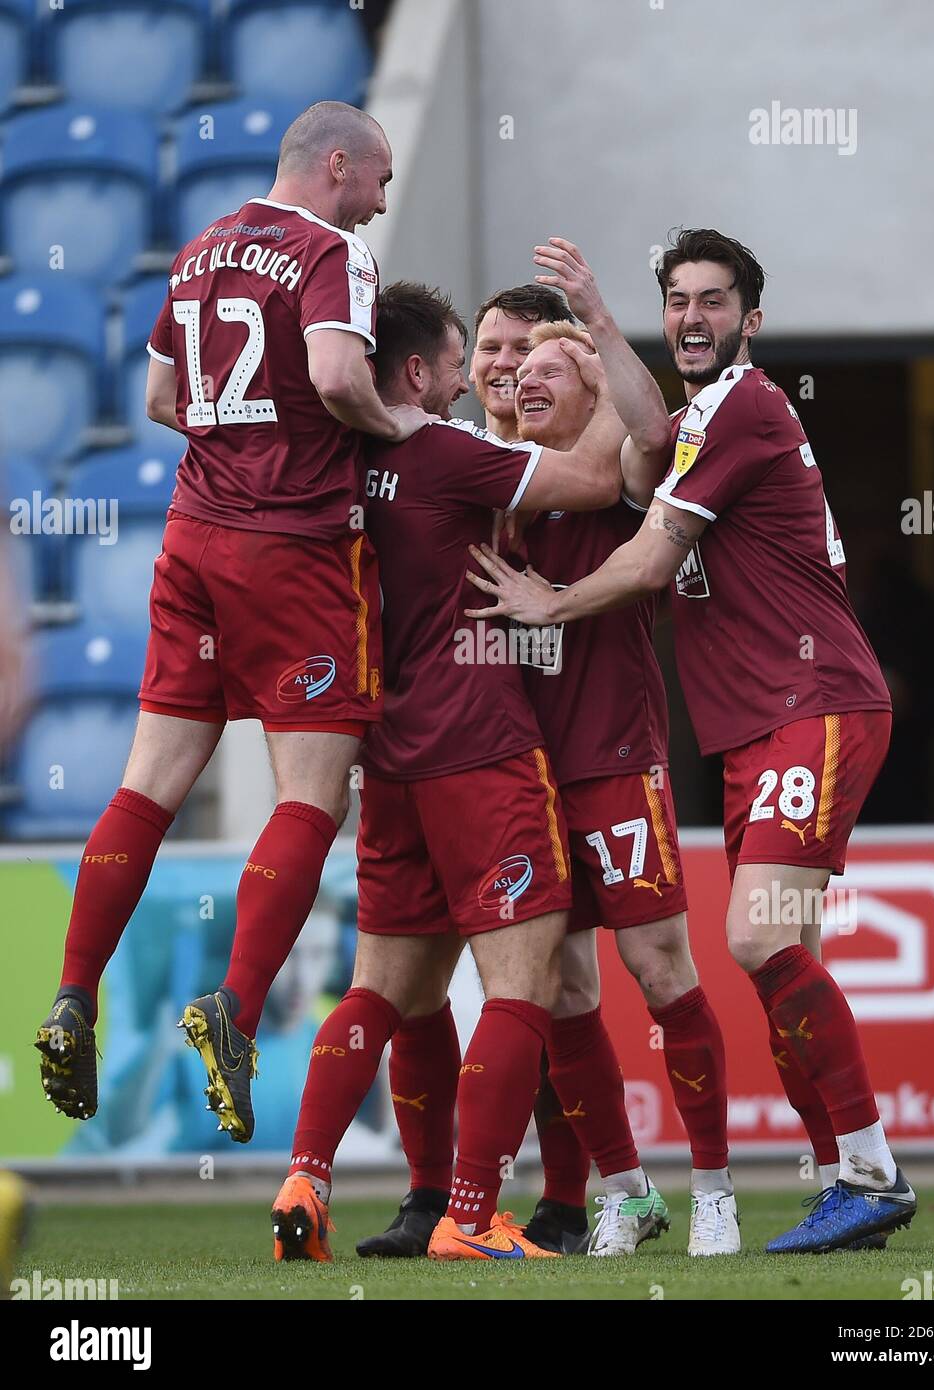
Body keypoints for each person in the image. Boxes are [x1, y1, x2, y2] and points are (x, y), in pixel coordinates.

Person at [466, 230, 917, 1254]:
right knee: (782, 953)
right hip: (753, 730)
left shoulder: (747, 408)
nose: (692, 319)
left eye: (712, 302)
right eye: (676, 302)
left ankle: (869, 1169)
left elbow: (648, 556)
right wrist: (592, 309)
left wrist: (551, 601)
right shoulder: (697, 418)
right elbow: (644, 420)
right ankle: (848, 1183)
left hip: (814, 704)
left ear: (750, 319)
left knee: (754, 938)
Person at [35, 101, 429, 1146]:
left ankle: (75, 991)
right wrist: (398, 439)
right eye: (378, 180)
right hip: (293, 550)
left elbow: (162, 396)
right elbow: (343, 377)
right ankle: (236, 1009)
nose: (382, 200)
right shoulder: (333, 253)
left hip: (191, 539)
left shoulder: (199, 248)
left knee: (147, 782)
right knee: (310, 796)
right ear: (335, 165)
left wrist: (239, 435)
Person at [363, 301, 736, 1260]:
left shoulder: (618, 475)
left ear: (591, 389)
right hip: (520, 776)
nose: (520, 378)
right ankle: (625, 1191)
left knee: (659, 972)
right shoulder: (487, 478)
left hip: (611, 757)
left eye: (545, 368)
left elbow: (652, 430)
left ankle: (716, 1191)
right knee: (561, 991)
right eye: (505, 363)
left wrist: (600, 327)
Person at [269, 280, 625, 1262]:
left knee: (378, 986)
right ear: (421, 370)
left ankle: (305, 1176)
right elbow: (597, 480)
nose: (482, 380)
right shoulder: (442, 452)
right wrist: (595, 369)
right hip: (480, 746)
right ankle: (469, 1215)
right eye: (467, 359)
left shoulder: (334, 461)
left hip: (381, 759)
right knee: (524, 983)